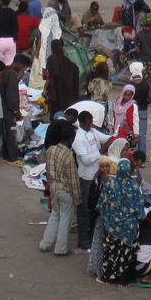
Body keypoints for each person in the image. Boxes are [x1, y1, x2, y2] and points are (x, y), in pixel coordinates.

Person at [73, 111, 112, 253]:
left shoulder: (93, 132)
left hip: (96, 175)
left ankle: (91, 239)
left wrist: (117, 134)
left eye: (91, 122)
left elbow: (107, 138)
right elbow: (86, 159)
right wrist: (101, 150)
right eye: (88, 123)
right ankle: (83, 242)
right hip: (86, 178)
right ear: (82, 123)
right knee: (84, 210)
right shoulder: (78, 139)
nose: (91, 125)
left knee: (94, 210)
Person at [40, 123, 81, 256]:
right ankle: (60, 248)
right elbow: (73, 179)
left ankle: (45, 243)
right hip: (65, 191)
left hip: (54, 189)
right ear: (71, 139)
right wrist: (78, 198)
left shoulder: (51, 150)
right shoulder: (69, 156)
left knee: (54, 216)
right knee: (65, 220)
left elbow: (47, 170)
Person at [0, 54, 29, 165]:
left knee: (6, 134)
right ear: (18, 64)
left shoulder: (6, 71)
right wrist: (16, 111)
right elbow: (11, 94)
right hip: (9, 110)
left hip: (4, 108)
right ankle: (13, 158)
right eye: (23, 67)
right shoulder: (12, 74)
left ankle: (6, 155)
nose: (22, 70)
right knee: (11, 134)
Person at [45, 39, 80, 117]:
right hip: (67, 92)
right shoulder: (66, 60)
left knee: (56, 110)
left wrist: (45, 89)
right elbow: (75, 68)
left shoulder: (51, 59)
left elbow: (49, 76)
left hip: (56, 90)